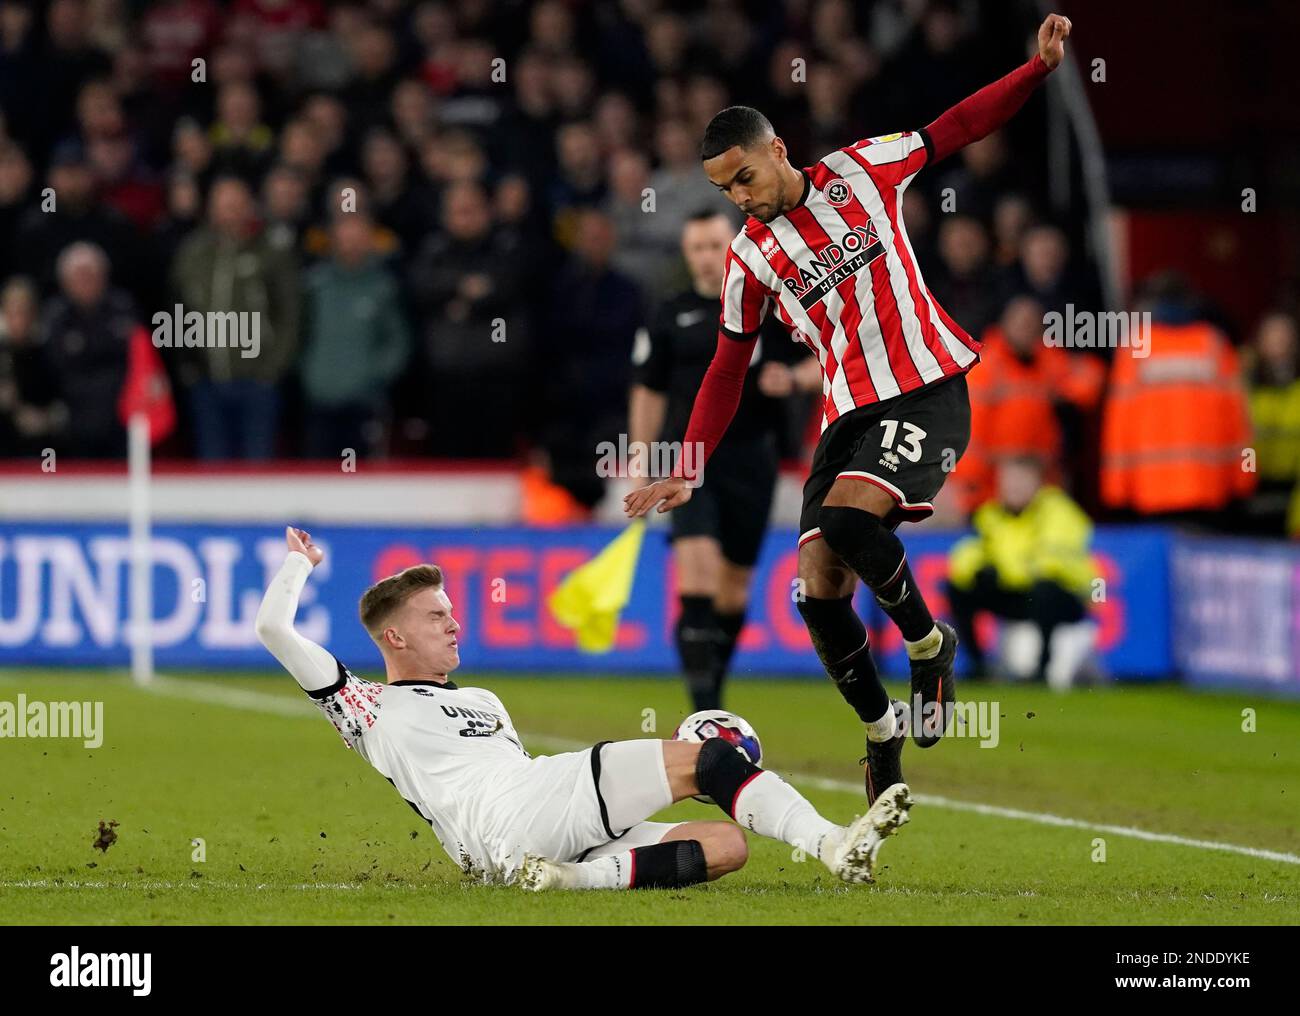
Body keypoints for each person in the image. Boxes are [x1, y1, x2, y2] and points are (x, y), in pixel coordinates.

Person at [626, 14, 1073, 804]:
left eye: (744, 178)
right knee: (817, 592)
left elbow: (956, 128)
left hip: (928, 387)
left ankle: (931, 647)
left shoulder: (865, 170)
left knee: (846, 524)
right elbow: (728, 367)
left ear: (777, 152)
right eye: (723, 189)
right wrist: (686, 465)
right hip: (847, 417)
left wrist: (1034, 70)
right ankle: (880, 736)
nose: (739, 197)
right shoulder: (750, 257)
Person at [255, 526, 912, 891]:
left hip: (520, 833)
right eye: (435, 617)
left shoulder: (481, 699)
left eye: (452, 612)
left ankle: (568, 880)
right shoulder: (369, 707)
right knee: (710, 757)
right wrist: (297, 564)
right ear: (394, 638)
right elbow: (275, 632)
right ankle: (832, 842)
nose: (454, 626)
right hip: (517, 809)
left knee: (725, 844)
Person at [629, 209, 817, 711]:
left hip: (752, 457)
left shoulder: (769, 306)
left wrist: (794, 380)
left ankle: (713, 690)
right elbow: (648, 390)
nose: (708, 258)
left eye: (715, 246)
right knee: (699, 576)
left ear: (732, 245)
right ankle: (705, 710)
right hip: (685, 458)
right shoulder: (670, 313)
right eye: (697, 248)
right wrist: (641, 455)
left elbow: (829, 356)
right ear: (687, 254)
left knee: (733, 592)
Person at [945, 456, 1096, 683]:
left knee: (1044, 590)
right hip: (1021, 592)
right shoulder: (991, 513)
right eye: (1008, 482)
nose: (1013, 488)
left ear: (1037, 484)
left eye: (1020, 482)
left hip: (1067, 596)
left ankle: (1043, 668)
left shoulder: (1058, 511)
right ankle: (978, 667)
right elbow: (969, 552)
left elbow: (1051, 562)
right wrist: (979, 569)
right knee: (959, 589)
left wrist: (1004, 570)